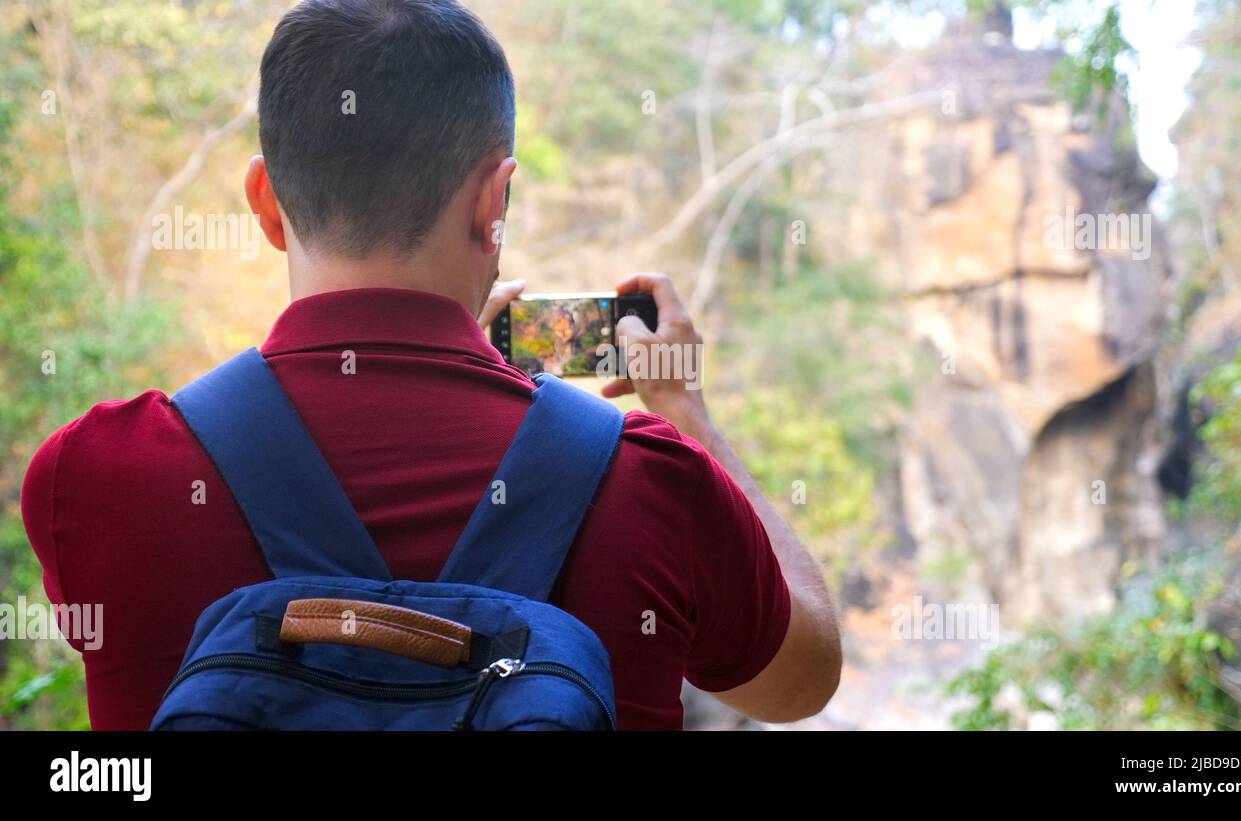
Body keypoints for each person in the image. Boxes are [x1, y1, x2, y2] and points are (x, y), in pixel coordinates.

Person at [21, 0, 841, 730]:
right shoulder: (655, 482)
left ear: (266, 202)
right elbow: (803, 679)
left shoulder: (90, 476)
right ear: (496, 201)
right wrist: (686, 412)